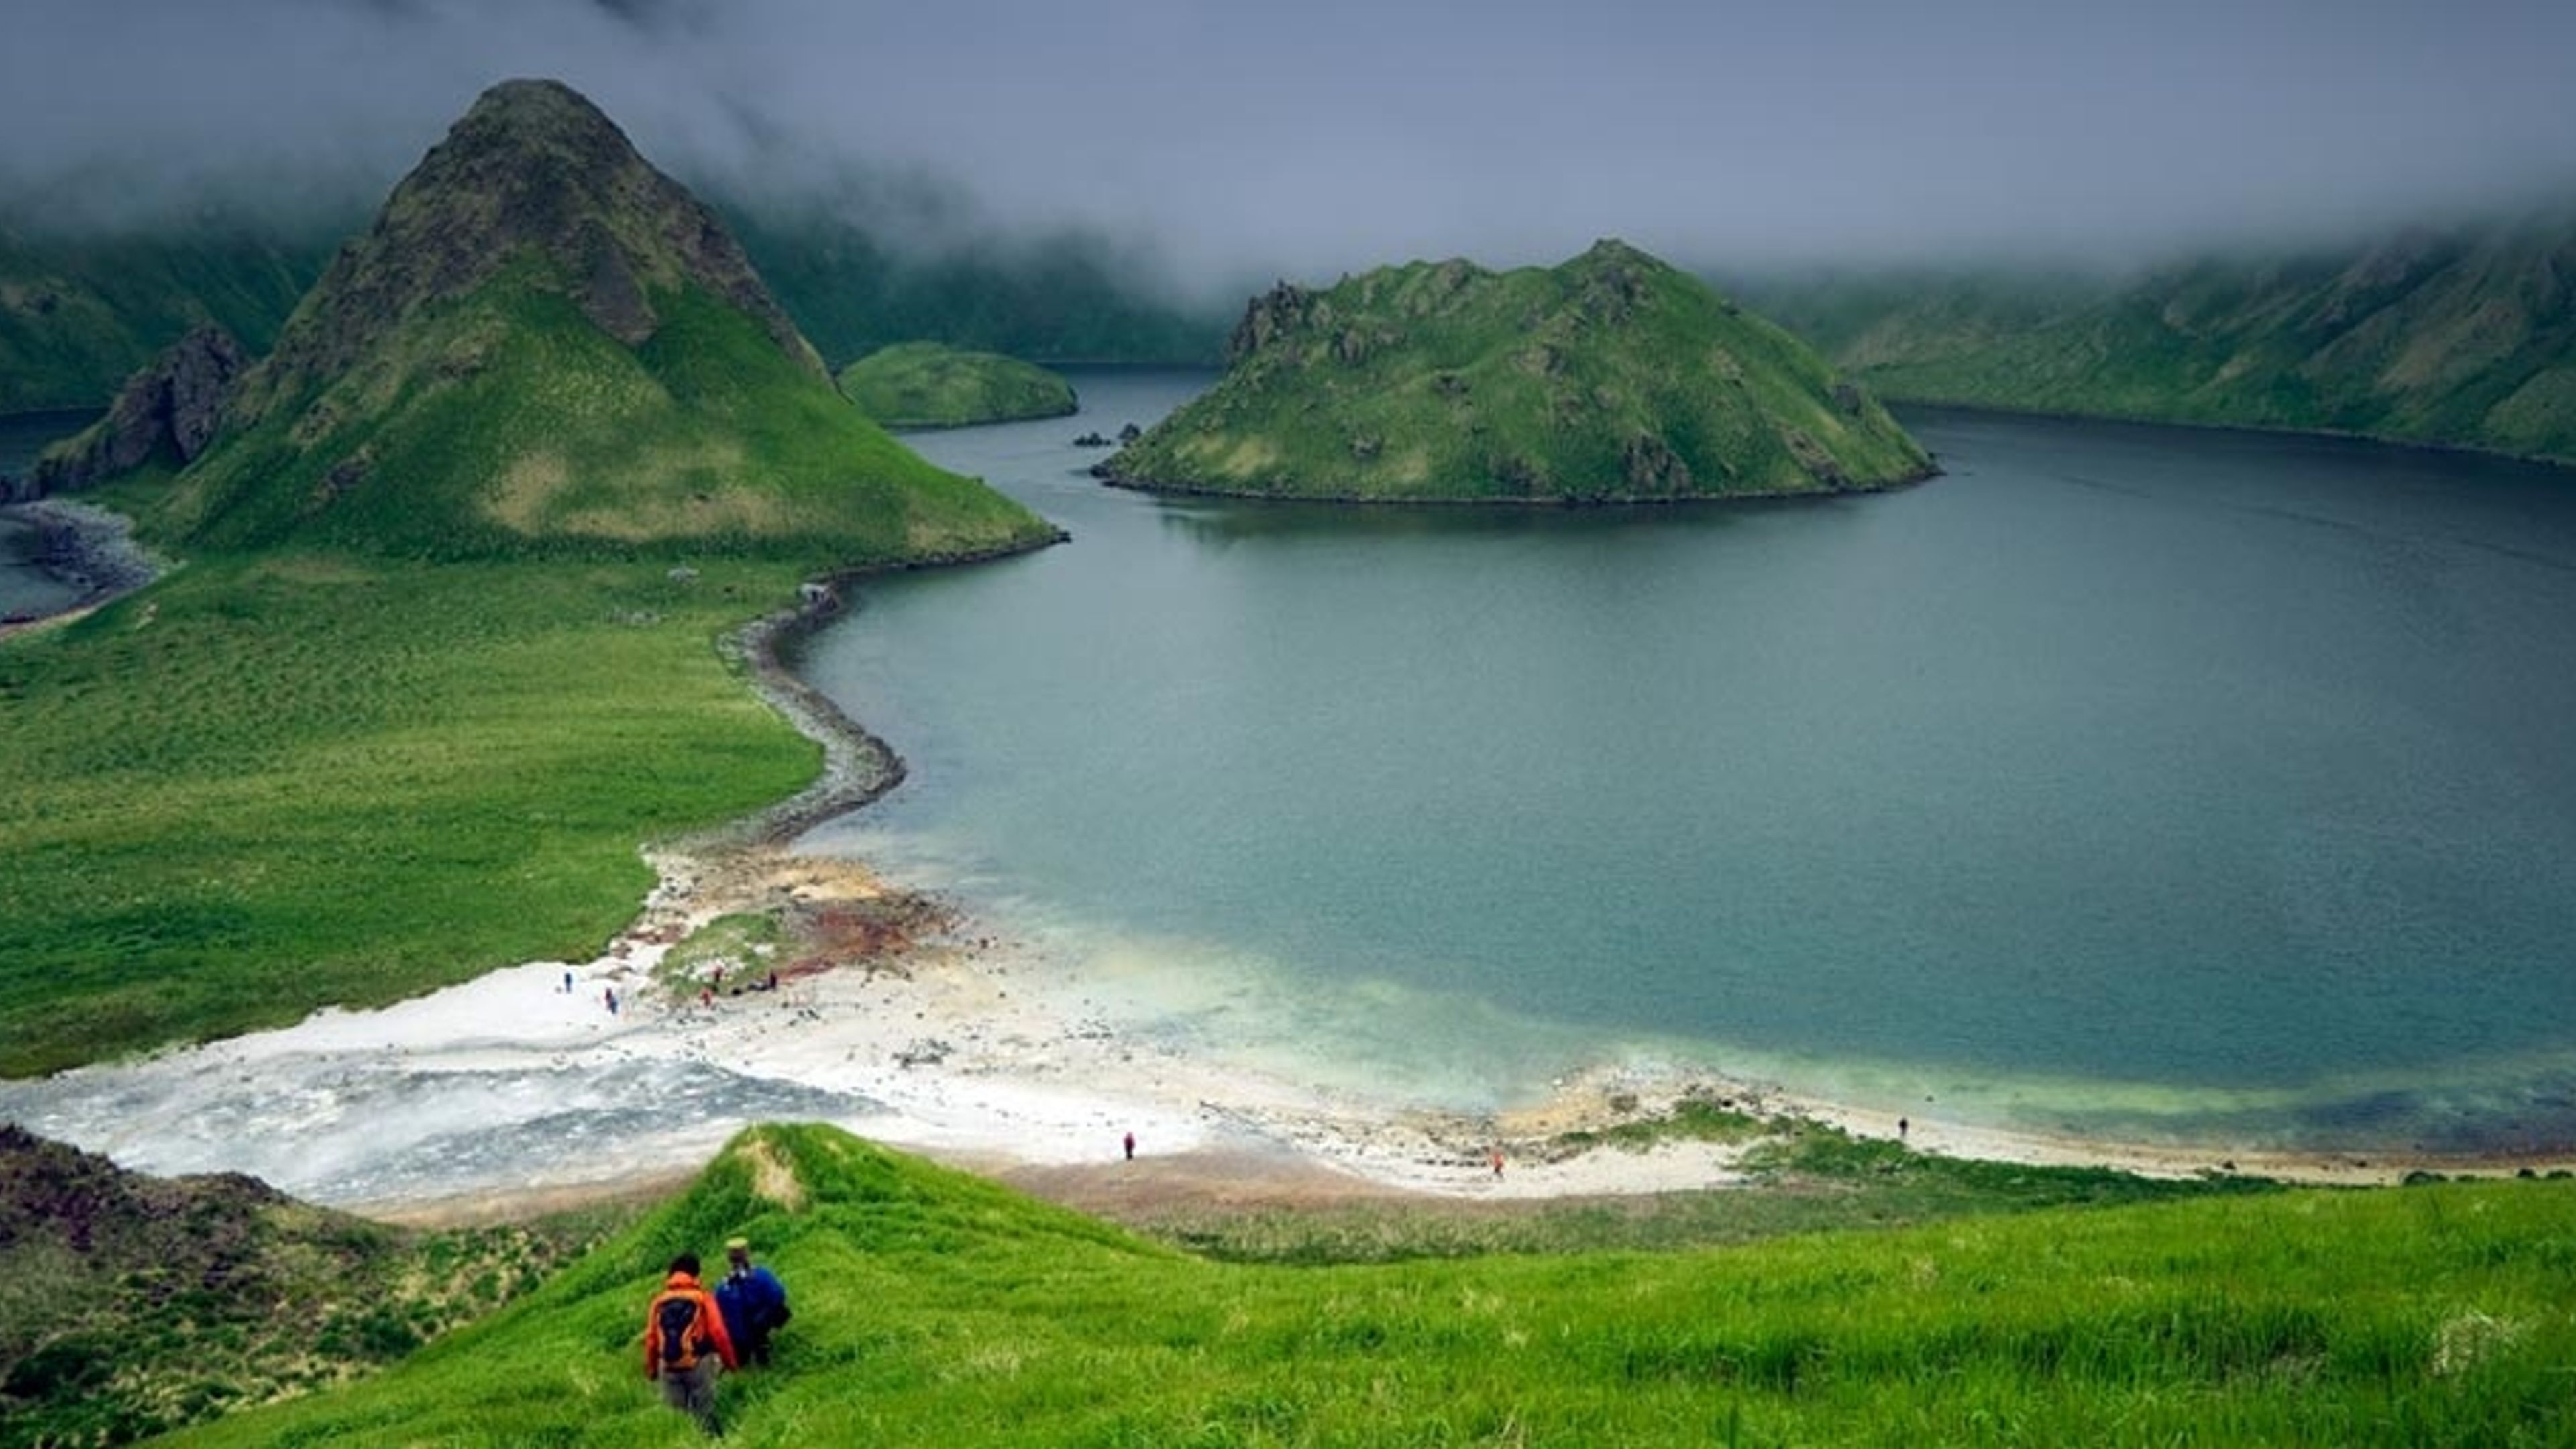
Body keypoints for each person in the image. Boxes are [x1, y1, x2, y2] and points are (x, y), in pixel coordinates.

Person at [643, 1252, 737, 1436]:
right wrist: (730, 1362)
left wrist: (652, 1370)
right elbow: (719, 1333)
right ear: (696, 1274)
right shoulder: (702, 1298)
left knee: (678, 1421)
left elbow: (651, 1339)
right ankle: (714, 1443)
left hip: (668, 1366)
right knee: (705, 1413)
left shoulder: (658, 1302)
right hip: (698, 1364)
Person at [714, 1236, 790, 1368]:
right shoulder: (762, 1275)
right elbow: (778, 1296)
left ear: (729, 1259)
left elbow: (719, 1311)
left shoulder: (723, 1286)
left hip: (736, 1339)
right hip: (756, 1328)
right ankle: (763, 1354)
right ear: (747, 1254)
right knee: (778, 1311)